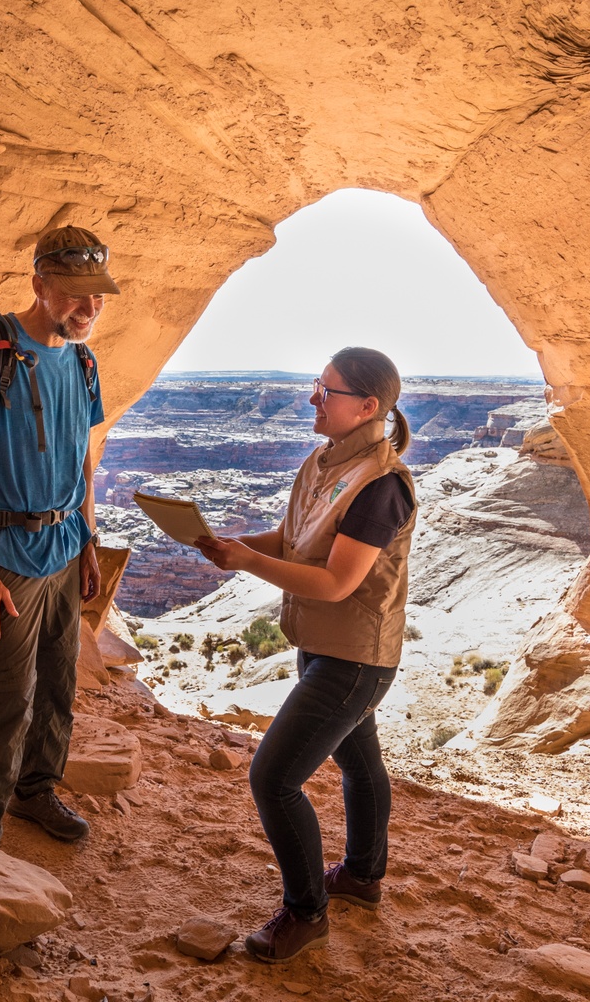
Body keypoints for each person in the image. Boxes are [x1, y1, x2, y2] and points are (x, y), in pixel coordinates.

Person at [195, 347, 417, 963]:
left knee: (273, 777)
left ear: (367, 407)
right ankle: (364, 878)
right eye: (315, 386)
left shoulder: (381, 486)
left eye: (326, 390)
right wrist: (236, 545)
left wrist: (248, 563)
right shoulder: (325, 461)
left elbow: (336, 582)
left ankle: (306, 913)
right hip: (323, 645)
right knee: (359, 764)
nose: (312, 399)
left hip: (355, 658)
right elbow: (299, 543)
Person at [0, 225, 114, 846]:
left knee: (57, 685)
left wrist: (89, 539)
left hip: (66, 546)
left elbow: (83, 457)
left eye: (98, 297)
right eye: (75, 294)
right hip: (9, 556)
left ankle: (34, 792)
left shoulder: (84, 359)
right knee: (7, 698)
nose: (89, 309)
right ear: (40, 284)